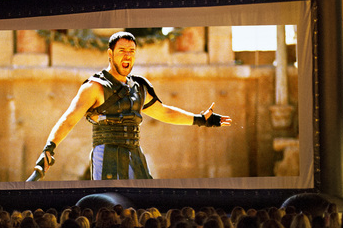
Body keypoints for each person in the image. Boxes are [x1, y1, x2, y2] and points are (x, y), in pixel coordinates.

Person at [31, 31, 231, 180]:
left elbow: (165, 113)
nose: (127, 56)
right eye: (122, 51)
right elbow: (69, 119)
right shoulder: (94, 87)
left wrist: (201, 119)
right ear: (110, 54)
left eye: (131, 51)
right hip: (107, 158)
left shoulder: (139, 87)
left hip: (135, 156)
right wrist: (49, 148)